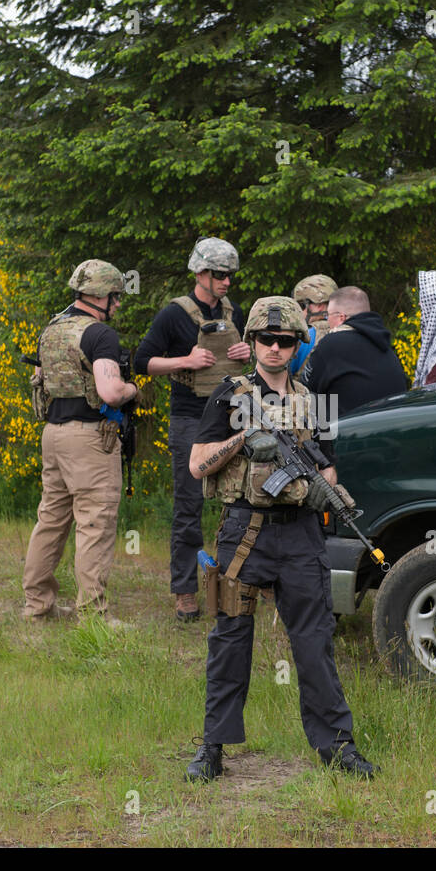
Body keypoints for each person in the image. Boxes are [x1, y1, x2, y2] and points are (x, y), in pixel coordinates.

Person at [184, 296, 378, 782]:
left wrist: (322, 491)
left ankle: (337, 747)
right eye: (265, 339)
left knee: (314, 641)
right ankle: (212, 747)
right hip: (243, 534)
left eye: (285, 341)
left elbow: (327, 464)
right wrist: (242, 440)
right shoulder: (229, 396)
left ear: (296, 346)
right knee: (230, 639)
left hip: (300, 537)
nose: (274, 348)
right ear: (250, 342)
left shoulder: (313, 402)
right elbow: (197, 464)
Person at [135, 237, 252, 622]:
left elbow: (256, 359)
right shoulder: (173, 315)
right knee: (190, 506)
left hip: (233, 416)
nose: (227, 282)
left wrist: (246, 352)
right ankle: (185, 592)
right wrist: (184, 360)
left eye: (230, 275)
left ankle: (241, 585)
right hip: (189, 418)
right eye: (220, 275)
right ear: (200, 273)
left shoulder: (235, 312)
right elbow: (141, 361)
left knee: (242, 502)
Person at [22, 260, 139, 621]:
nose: (118, 305)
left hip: (53, 435)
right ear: (100, 295)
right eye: (115, 297)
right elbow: (110, 391)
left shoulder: (52, 329)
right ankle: (93, 616)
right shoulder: (100, 335)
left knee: (51, 520)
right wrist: (133, 389)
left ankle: (37, 607)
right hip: (89, 439)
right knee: (95, 522)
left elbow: (41, 377)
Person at [298, 285, 407, 453]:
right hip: (392, 436)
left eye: (328, 315)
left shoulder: (332, 344)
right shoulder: (385, 345)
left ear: (341, 317)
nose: (326, 321)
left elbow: (304, 388)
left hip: (350, 442)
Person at [286, 273, 338, 375]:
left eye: (301, 305)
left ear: (319, 305)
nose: (299, 311)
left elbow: (283, 374)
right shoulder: (350, 330)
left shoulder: (307, 336)